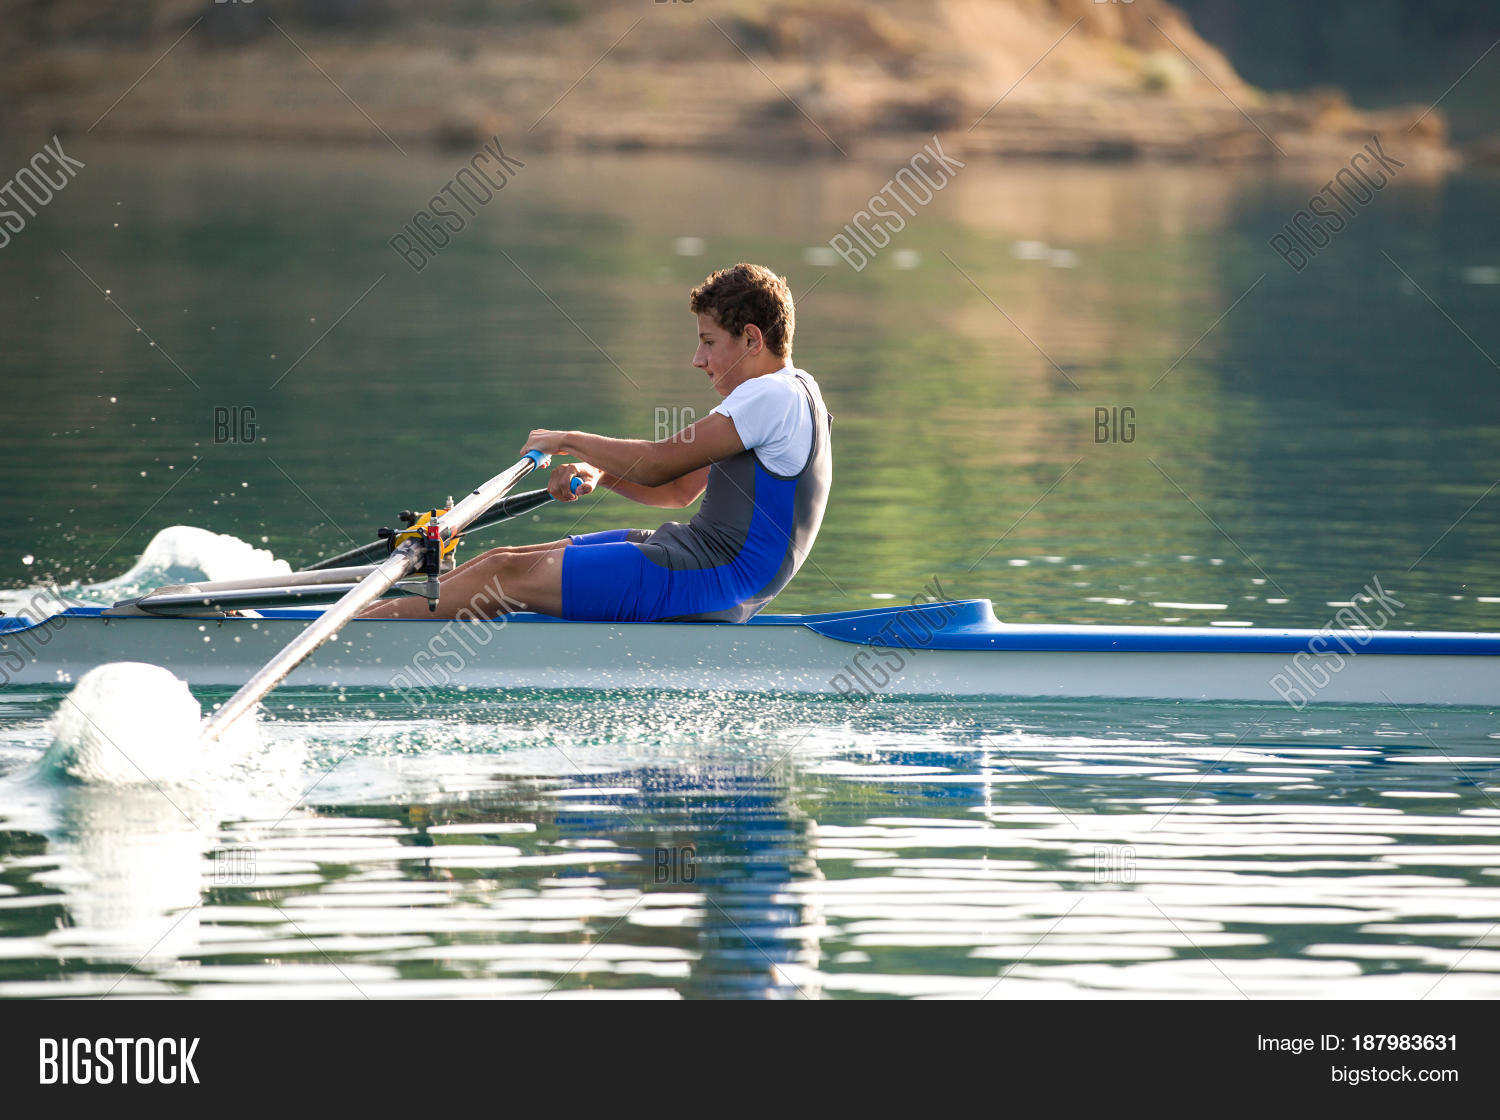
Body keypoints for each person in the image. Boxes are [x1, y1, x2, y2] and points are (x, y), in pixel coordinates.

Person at [362, 263, 831, 623]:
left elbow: (658, 464)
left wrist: (567, 441)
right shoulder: (786, 393)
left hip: (711, 580)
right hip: (698, 562)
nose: (697, 358)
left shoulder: (771, 396)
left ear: (751, 339)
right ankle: (375, 622)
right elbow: (676, 491)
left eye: (708, 342)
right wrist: (600, 474)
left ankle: (345, 637)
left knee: (501, 578)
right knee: (498, 561)